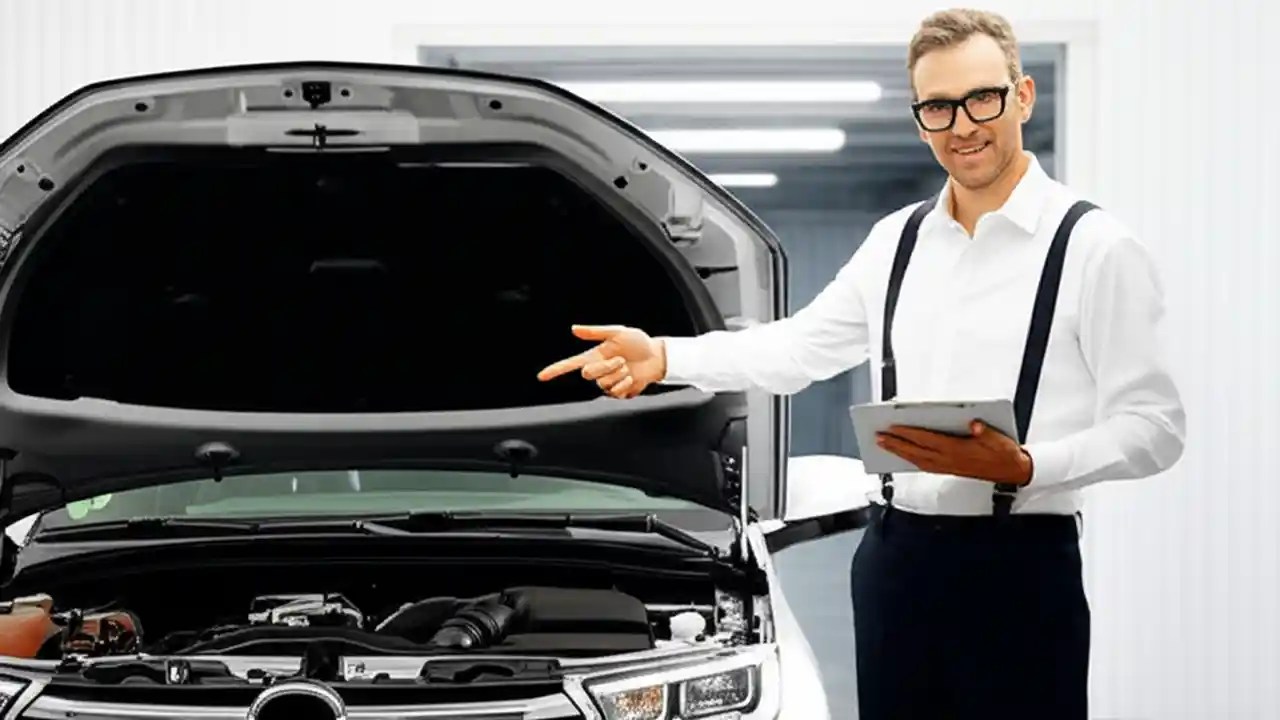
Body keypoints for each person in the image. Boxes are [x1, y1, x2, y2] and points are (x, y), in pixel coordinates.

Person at [536, 8, 1185, 719]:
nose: (962, 125)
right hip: (896, 560)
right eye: (938, 107)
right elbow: (798, 347)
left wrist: (1029, 467)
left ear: (1022, 95)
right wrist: (665, 354)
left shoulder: (1095, 249)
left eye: (982, 99)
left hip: (1021, 565)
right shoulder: (897, 242)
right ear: (919, 118)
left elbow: (1154, 427)